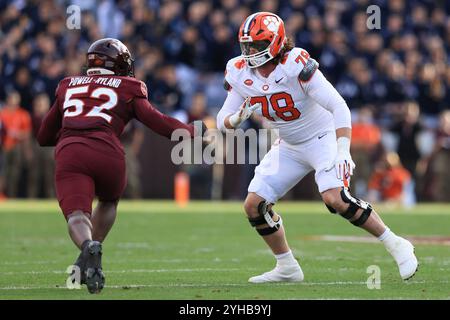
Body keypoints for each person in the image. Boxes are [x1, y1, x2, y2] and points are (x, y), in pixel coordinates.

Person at [216, 12, 418, 283]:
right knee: (254, 205)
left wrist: (343, 148)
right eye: (247, 46)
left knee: (335, 198)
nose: (250, 53)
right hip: (288, 144)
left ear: (275, 43)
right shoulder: (239, 70)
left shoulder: (295, 64)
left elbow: (338, 106)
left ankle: (396, 243)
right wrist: (234, 119)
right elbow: (221, 121)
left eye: (257, 45)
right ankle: (287, 267)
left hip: (322, 137)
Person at [37, 38, 197, 294]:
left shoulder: (67, 85)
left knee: (77, 214)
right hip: (108, 153)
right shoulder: (128, 86)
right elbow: (157, 121)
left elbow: (44, 136)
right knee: (109, 201)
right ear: (120, 65)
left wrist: (73, 137)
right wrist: (193, 132)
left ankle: (88, 247)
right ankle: (90, 253)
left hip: (71, 151)